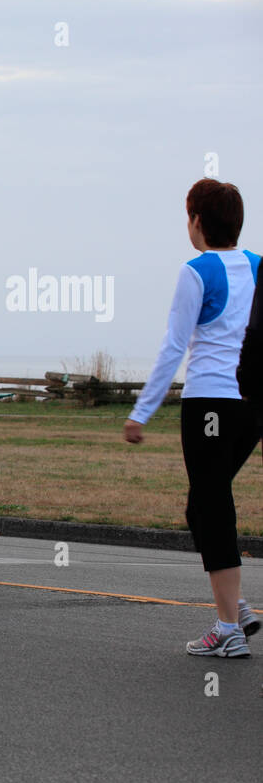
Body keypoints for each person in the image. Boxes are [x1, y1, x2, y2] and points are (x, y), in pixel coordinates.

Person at [126, 179, 260, 659]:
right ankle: (237, 607)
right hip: (251, 406)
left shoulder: (195, 271)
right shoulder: (259, 266)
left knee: (214, 505)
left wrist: (142, 412)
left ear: (197, 222)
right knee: (201, 506)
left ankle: (228, 628)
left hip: (210, 405)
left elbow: (173, 346)